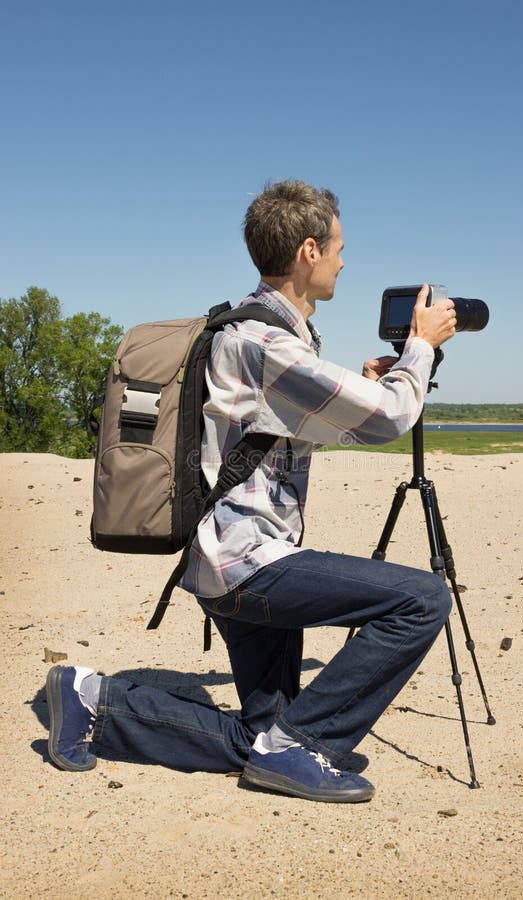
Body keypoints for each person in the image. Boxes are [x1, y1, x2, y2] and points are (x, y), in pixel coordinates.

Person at [46, 180, 457, 803]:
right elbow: (389, 419)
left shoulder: (257, 330)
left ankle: (92, 698)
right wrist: (419, 350)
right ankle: (301, 748)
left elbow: (284, 435)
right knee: (422, 600)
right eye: (342, 248)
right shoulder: (264, 341)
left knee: (264, 737)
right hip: (248, 562)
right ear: (310, 251)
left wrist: (363, 384)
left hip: (225, 559)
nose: (347, 261)